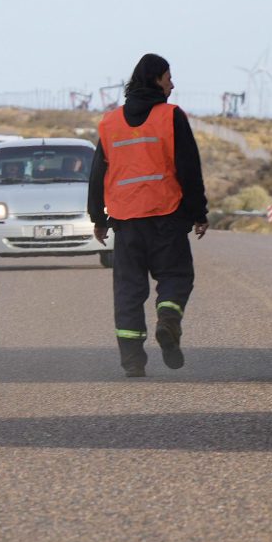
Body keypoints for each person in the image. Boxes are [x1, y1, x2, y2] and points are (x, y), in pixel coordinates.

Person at [90, 53, 209, 377]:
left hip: (126, 222)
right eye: (168, 77)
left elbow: (98, 172)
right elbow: (188, 168)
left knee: (128, 291)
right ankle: (168, 320)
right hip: (166, 217)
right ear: (156, 79)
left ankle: (132, 361)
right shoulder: (170, 117)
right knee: (175, 277)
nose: (172, 83)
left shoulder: (110, 122)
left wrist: (97, 218)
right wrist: (199, 213)